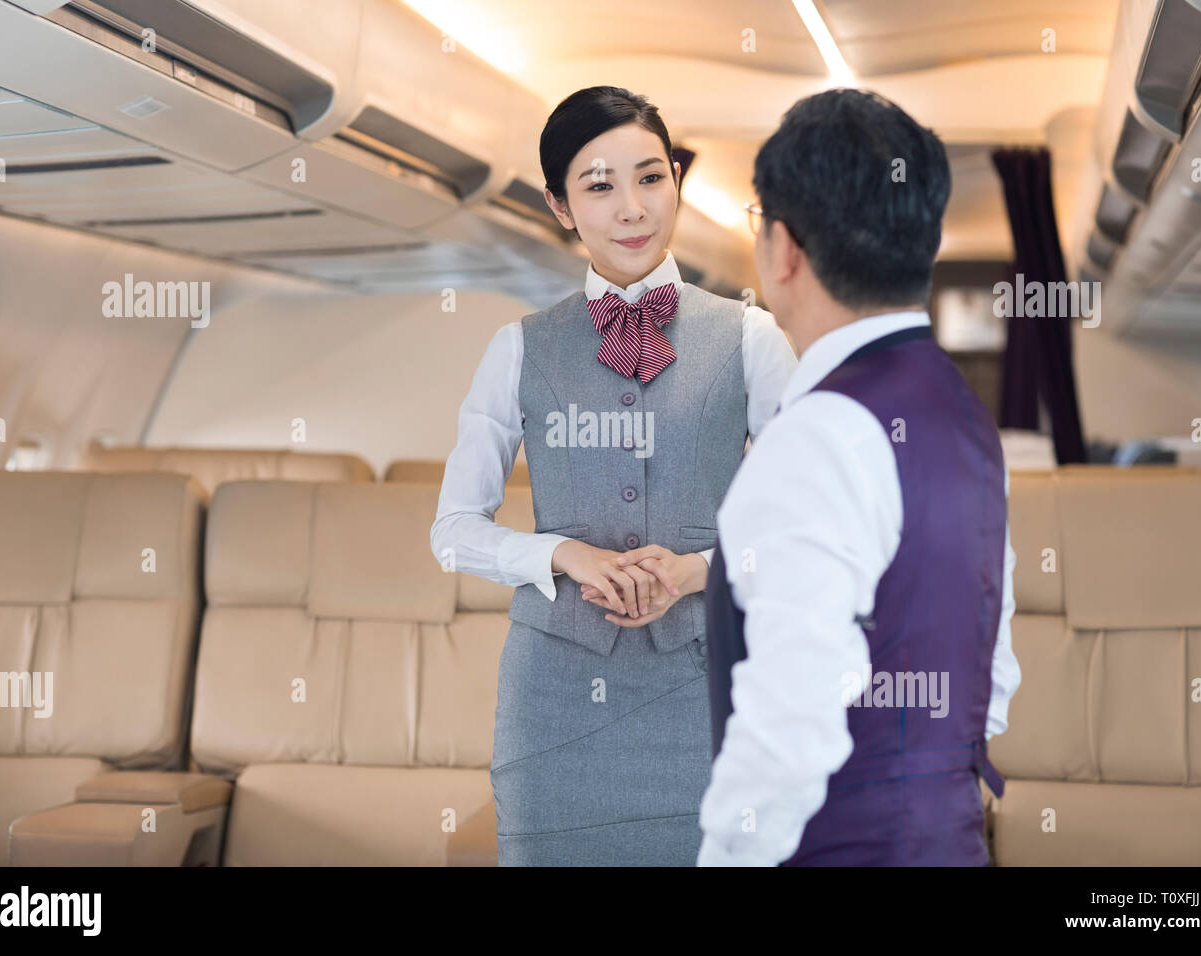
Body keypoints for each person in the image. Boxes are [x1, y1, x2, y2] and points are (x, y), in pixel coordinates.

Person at [430, 86, 797, 865]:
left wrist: (698, 572)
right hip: (555, 697)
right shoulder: (519, 348)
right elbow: (453, 530)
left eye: (651, 177)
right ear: (561, 206)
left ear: (675, 183)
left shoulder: (752, 338)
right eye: (599, 185)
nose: (632, 207)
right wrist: (562, 555)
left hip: (705, 688)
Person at [698, 88, 1022, 866]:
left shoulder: (814, 437)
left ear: (783, 250)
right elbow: (992, 673)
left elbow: (787, 731)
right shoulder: (967, 419)